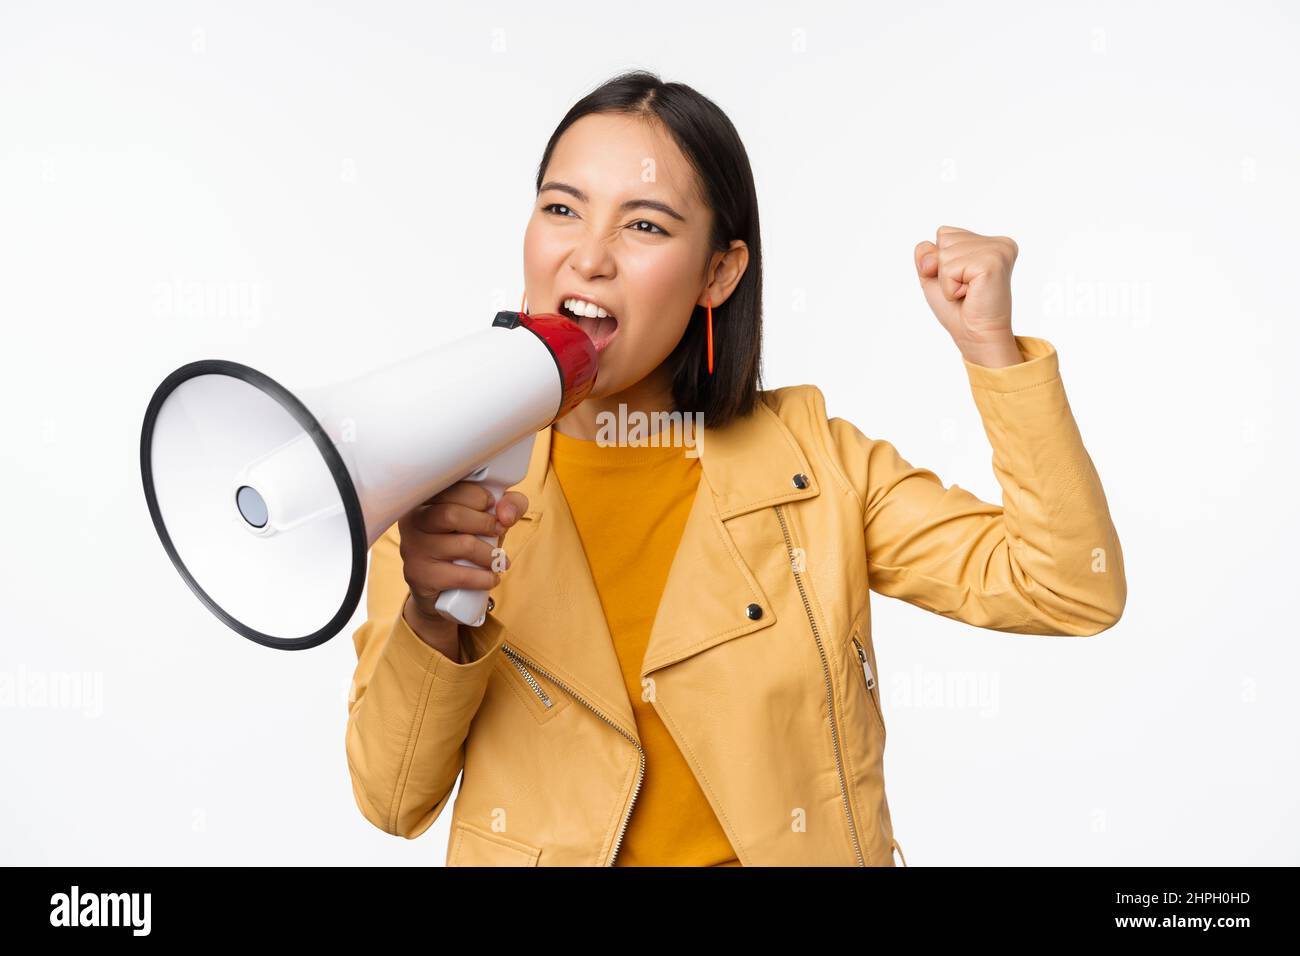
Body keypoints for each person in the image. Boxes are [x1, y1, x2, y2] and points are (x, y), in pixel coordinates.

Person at [343, 70, 1126, 867]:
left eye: (643, 226)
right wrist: (433, 617)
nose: (588, 256)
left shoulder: (817, 463)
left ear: (718, 273)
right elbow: (392, 797)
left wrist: (990, 349)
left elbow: (1068, 586)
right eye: (561, 208)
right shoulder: (437, 488)